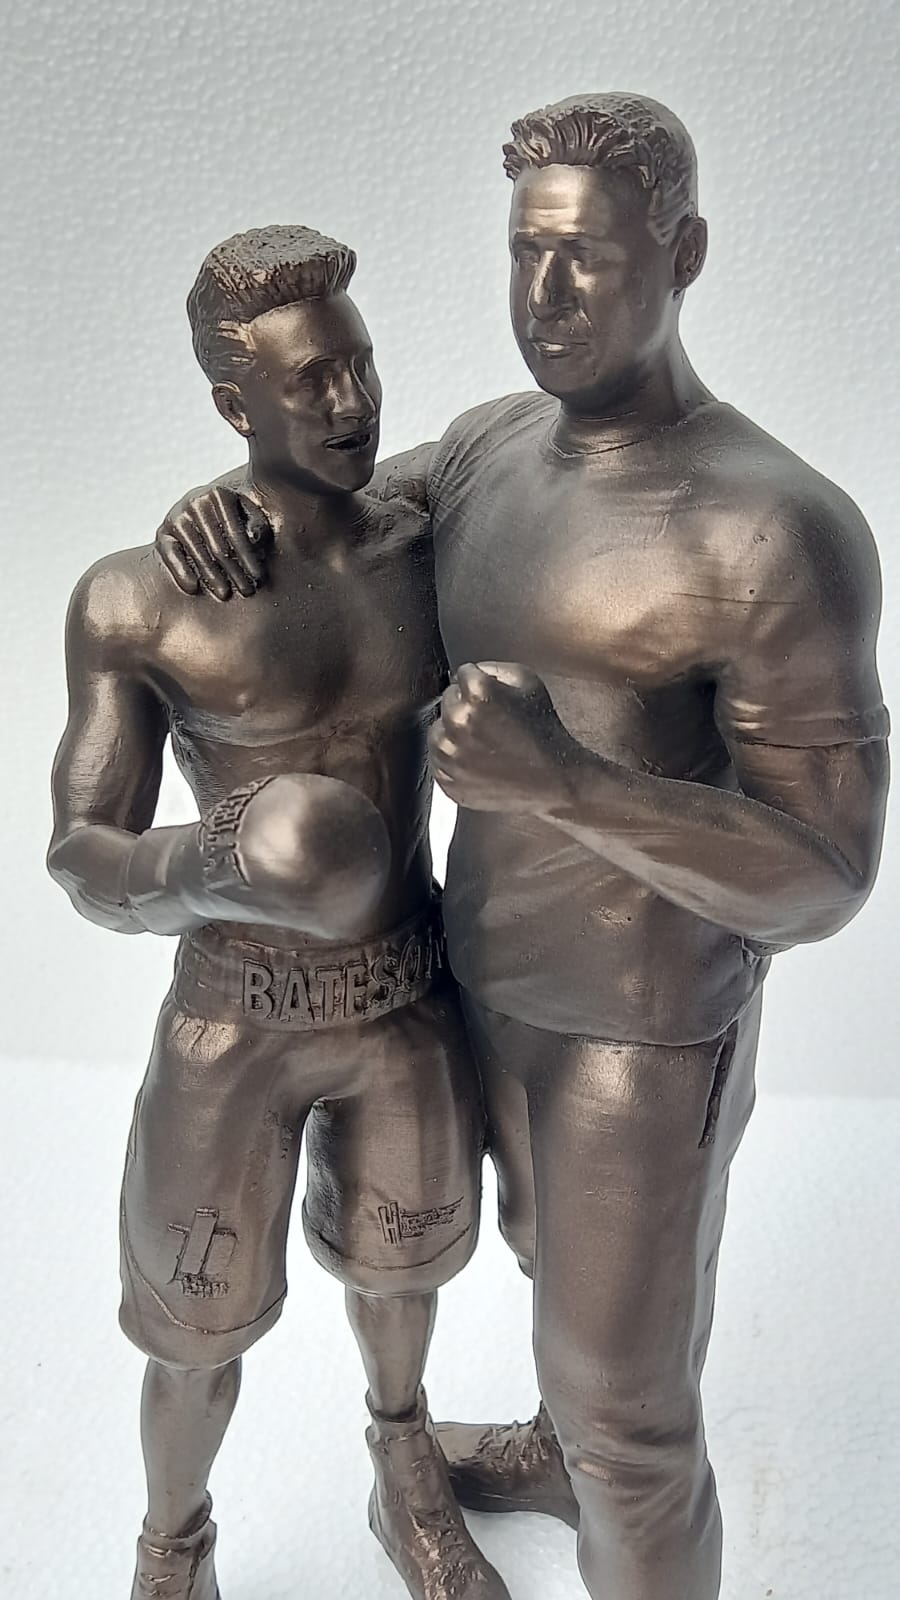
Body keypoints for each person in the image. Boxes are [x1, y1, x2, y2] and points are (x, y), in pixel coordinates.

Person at [157, 96, 890, 1600]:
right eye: (525, 254)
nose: (546, 297)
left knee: (632, 1415)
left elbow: (826, 874)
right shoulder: (490, 450)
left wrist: (566, 786)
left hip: (647, 1025)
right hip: (483, 992)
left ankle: (598, 1465)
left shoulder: (779, 531)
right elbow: (334, 519)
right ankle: (560, 1455)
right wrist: (215, 514)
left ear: (684, 252)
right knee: (550, 1270)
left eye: (589, 259)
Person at [48, 225, 511, 1600]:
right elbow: (81, 853)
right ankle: (172, 1546)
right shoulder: (142, 599)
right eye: (309, 382)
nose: (349, 401)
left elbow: (524, 444)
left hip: (403, 986)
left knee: (405, 1267)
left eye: (359, 365)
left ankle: (404, 1467)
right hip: (232, 1012)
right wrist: (225, 856)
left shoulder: (429, 545)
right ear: (231, 403)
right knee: (191, 1328)